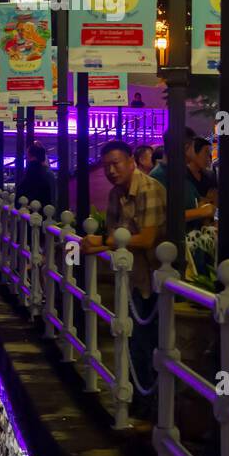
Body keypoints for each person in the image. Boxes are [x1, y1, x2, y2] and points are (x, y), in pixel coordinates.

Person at [82, 140, 165, 405]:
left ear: (132, 160)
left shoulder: (149, 189)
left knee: (149, 344)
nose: (111, 171)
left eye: (116, 164)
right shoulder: (115, 193)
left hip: (152, 278)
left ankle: (150, 409)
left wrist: (101, 244)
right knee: (133, 342)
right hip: (131, 280)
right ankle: (137, 404)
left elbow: (147, 239)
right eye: (106, 166)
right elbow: (112, 234)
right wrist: (96, 244)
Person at [15, 143, 55, 209]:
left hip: (30, 211)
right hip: (44, 212)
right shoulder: (49, 174)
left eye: (28, 157)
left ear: (32, 157)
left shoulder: (31, 172)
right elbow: (52, 199)